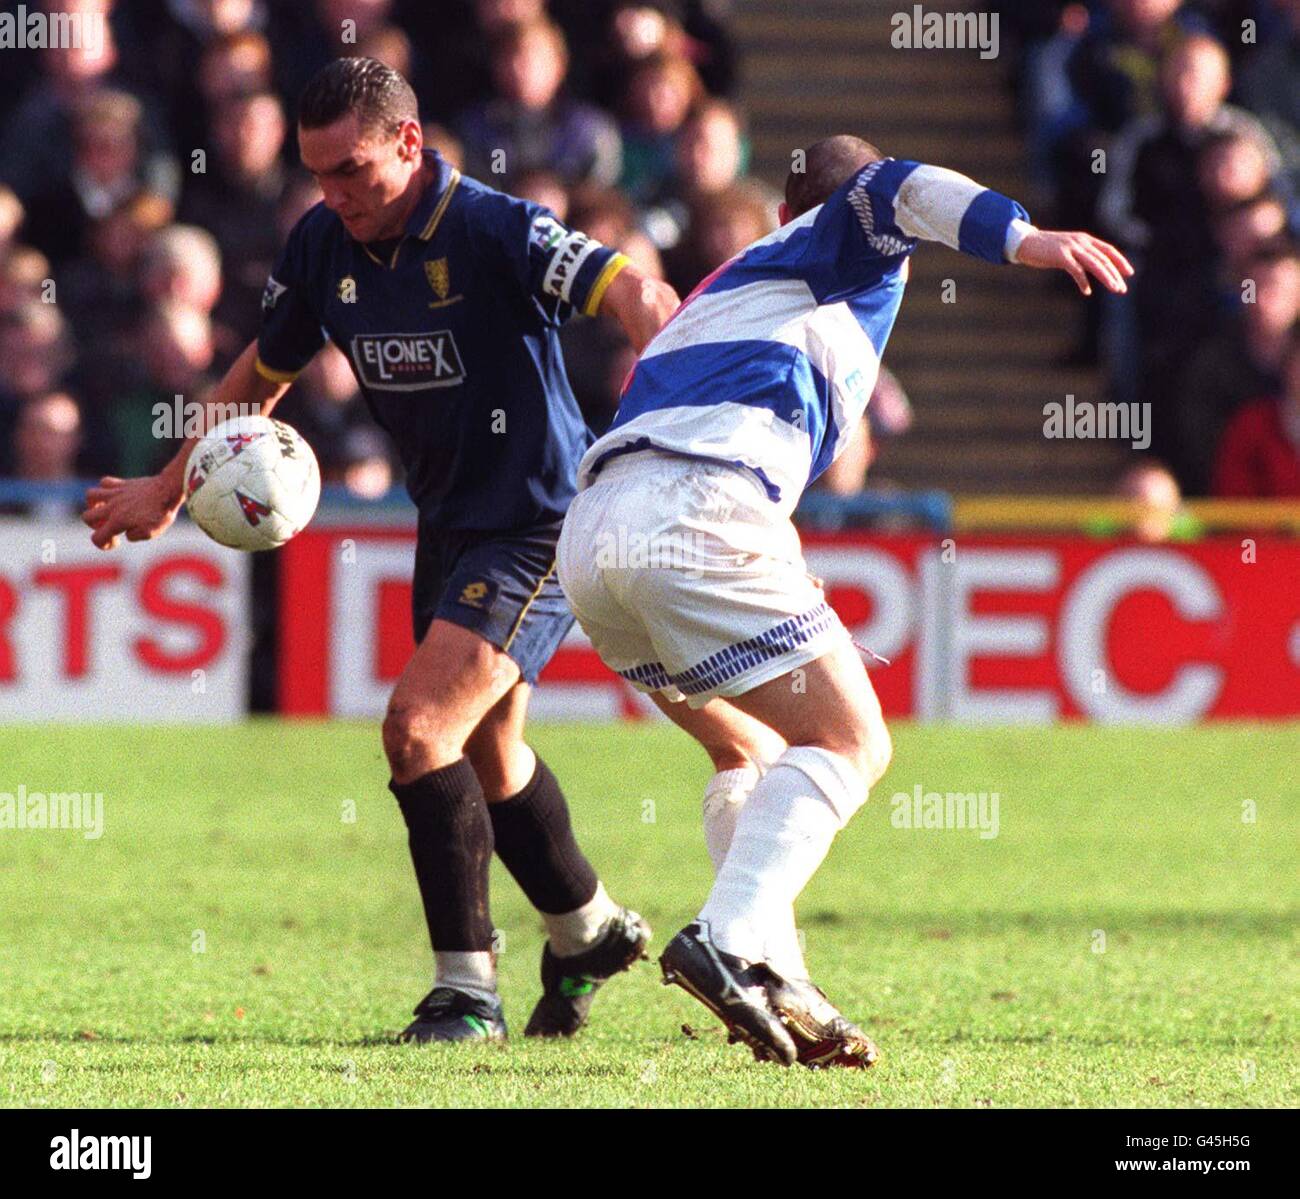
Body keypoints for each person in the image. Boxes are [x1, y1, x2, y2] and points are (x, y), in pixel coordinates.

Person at [81, 57, 680, 1046]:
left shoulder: (496, 226)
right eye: (318, 175)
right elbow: (257, 375)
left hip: (538, 521)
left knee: (415, 730)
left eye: (352, 170)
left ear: (408, 143)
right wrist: (166, 484)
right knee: (487, 751)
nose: (336, 194)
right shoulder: (323, 243)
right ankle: (587, 927)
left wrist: (667, 373)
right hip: (448, 521)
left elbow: (630, 291)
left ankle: (465, 992)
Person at [556, 135, 1133, 1067]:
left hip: (596, 533)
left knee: (749, 748)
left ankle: (776, 974)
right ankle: (729, 935)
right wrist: (1025, 238)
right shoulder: (848, 243)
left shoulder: (741, 283)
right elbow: (898, 185)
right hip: (693, 509)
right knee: (855, 740)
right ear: (824, 218)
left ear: (779, 215)